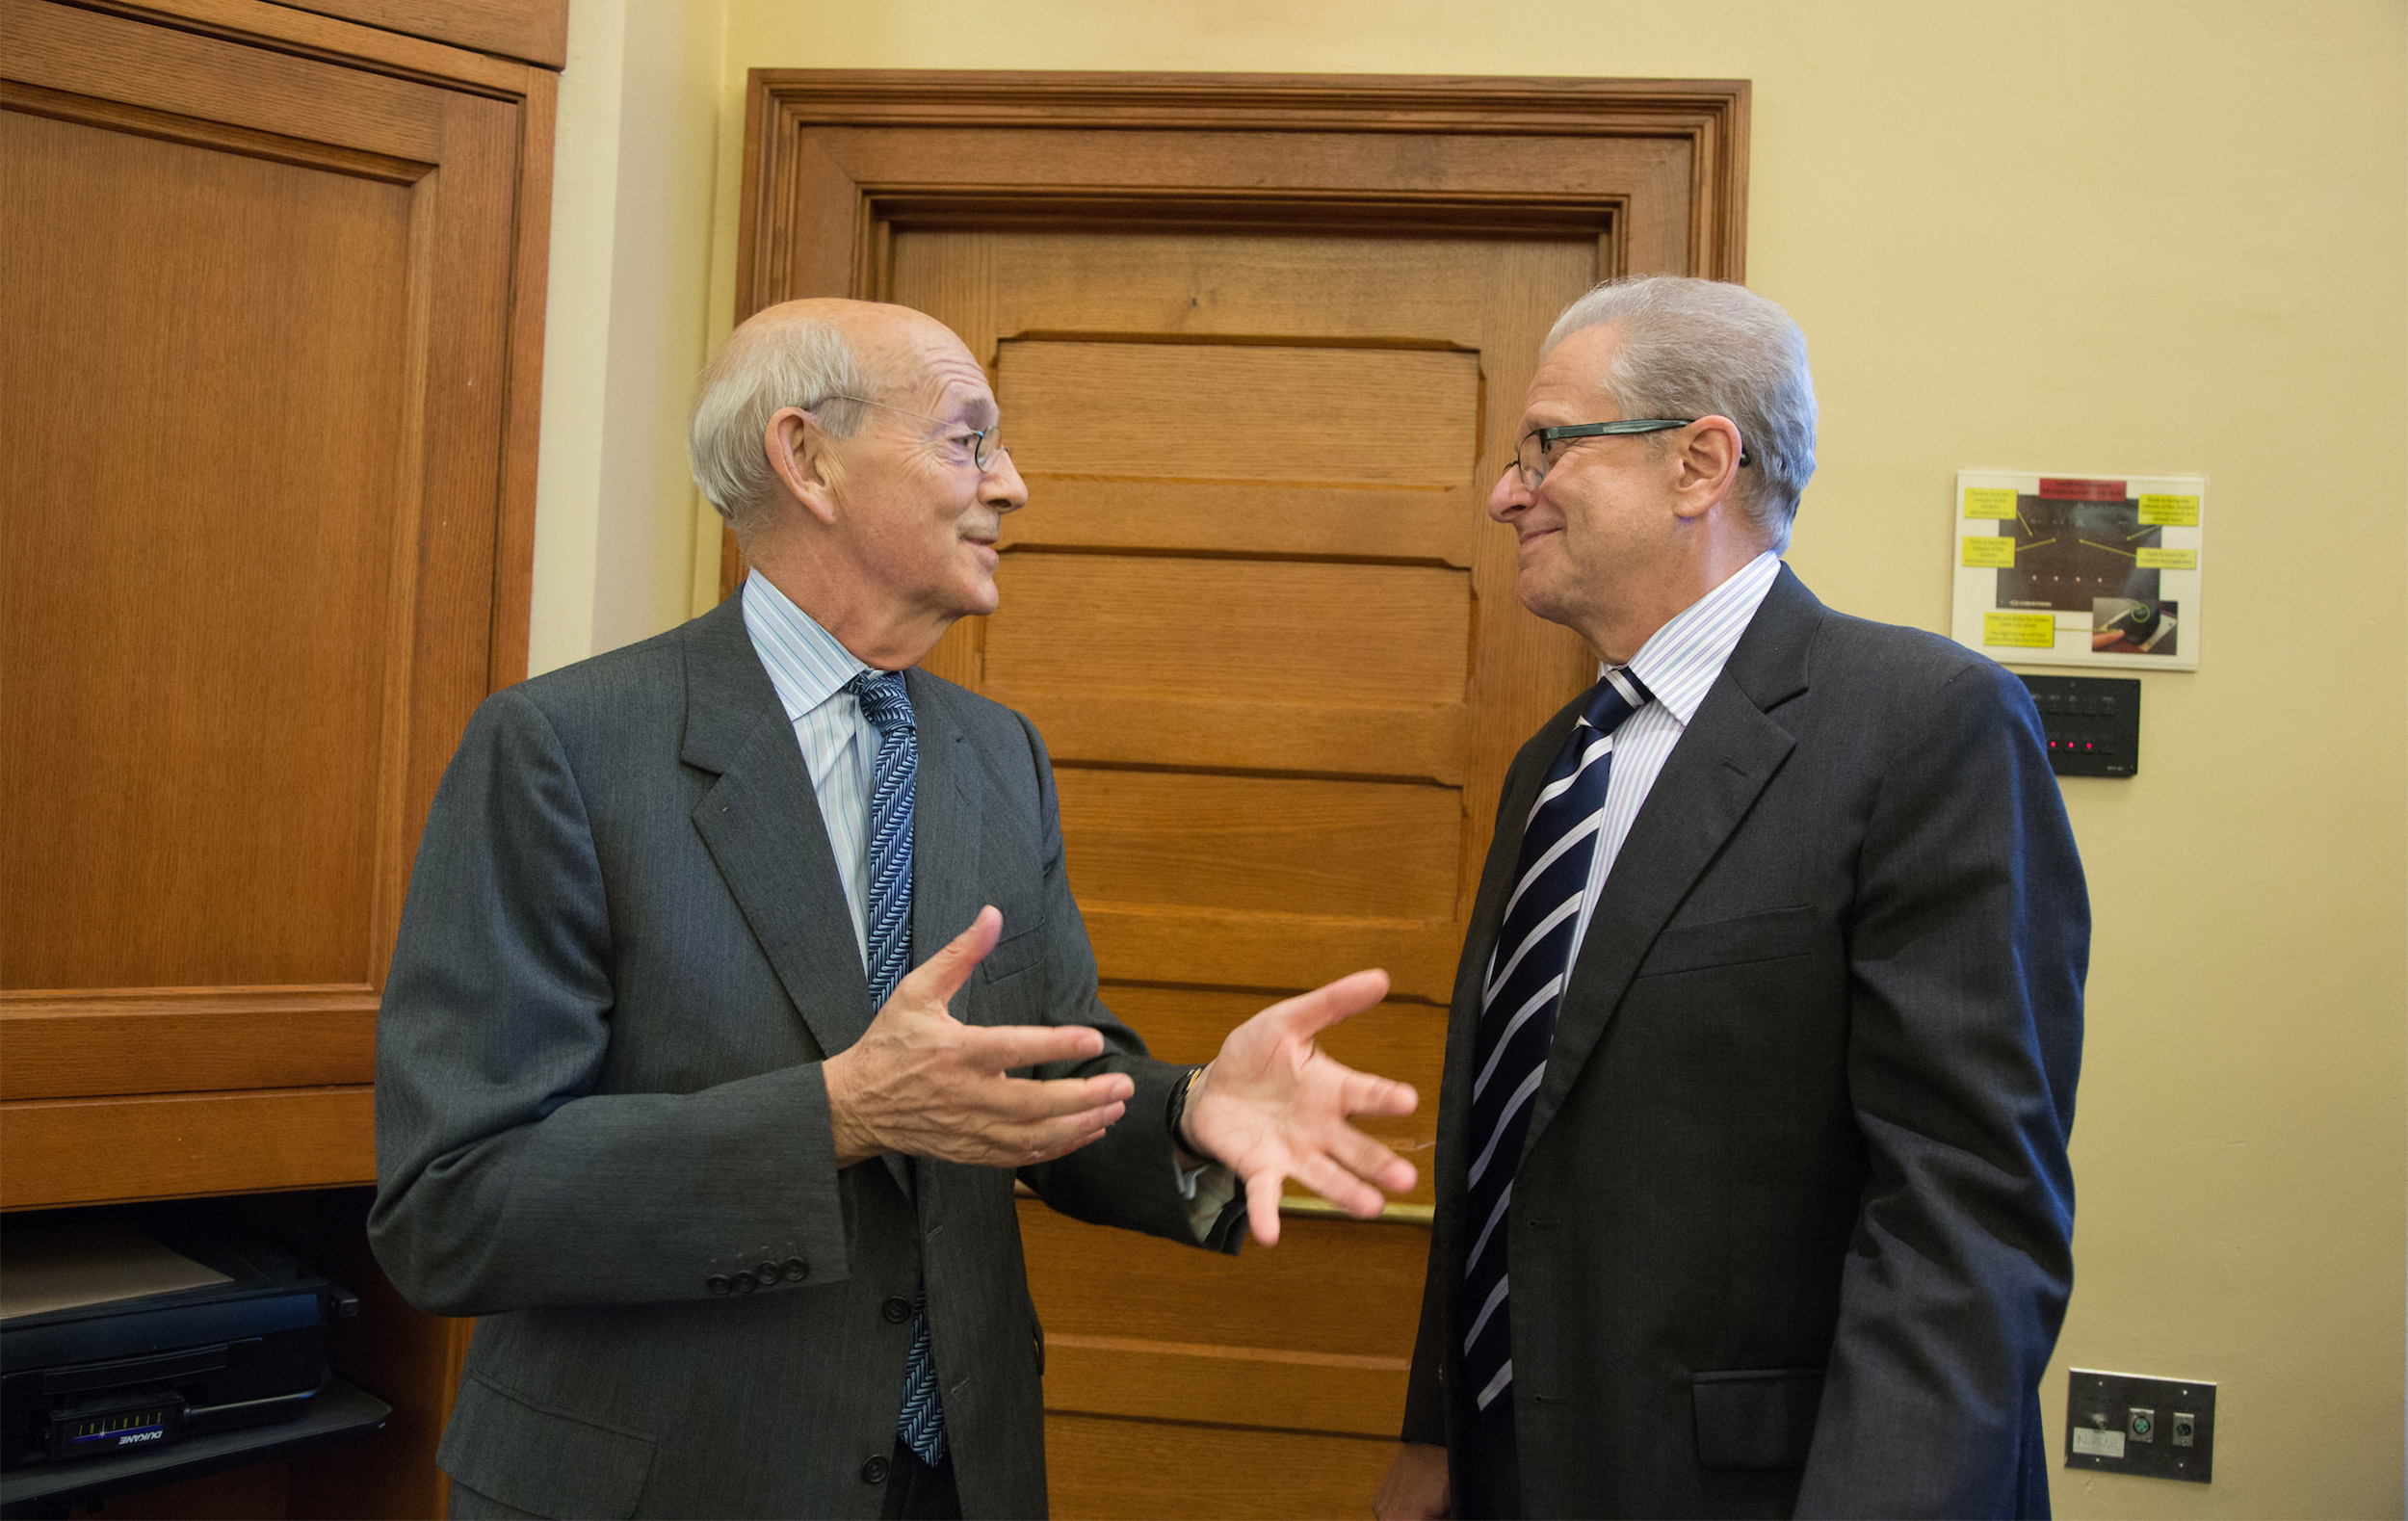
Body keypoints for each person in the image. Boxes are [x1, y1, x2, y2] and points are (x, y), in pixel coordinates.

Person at [371, 298, 1419, 1520]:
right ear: (805, 457)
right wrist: (832, 1115)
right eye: (968, 439)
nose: (1013, 484)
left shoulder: (995, 755)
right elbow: (452, 1203)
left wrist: (1192, 1112)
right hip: (663, 1482)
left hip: (958, 1480)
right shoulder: (560, 749)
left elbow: (1027, 1088)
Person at [1373, 277, 2086, 1519]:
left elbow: (1964, 1215)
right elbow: (1509, 1147)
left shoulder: (1924, 725)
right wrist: (1439, 1430)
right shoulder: (1558, 761)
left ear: (1698, 461)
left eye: (1545, 443)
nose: (1505, 490)